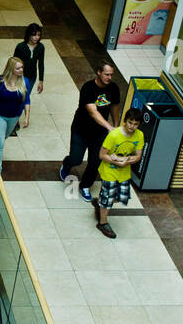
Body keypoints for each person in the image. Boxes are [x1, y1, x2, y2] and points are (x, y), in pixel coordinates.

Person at [59, 61, 121, 202]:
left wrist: (116, 125)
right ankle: (67, 163)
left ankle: (85, 185)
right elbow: (93, 112)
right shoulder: (88, 88)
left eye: (111, 74)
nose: (109, 77)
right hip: (80, 130)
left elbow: (115, 106)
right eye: (107, 74)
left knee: (95, 162)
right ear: (99, 72)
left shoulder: (114, 88)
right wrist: (109, 127)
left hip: (99, 134)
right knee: (76, 159)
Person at [94, 108, 144, 239]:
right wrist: (116, 161)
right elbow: (102, 155)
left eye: (135, 124)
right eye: (130, 122)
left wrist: (125, 160)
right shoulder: (114, 135)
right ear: (125, 121)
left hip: (124, 172)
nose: (132, 126)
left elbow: (138, 156)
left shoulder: (139, 136)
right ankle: (103, 223)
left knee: (121, 197)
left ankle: (100, 203)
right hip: (109, 171)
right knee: (109, 199)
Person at [0, 57, 30, 172]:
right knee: (1, 143)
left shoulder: (25, 81)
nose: (21, 70)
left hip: (14, 117)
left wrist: (27, 117)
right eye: (18, 68)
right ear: (11, 69)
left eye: (22, 67)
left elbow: (27, 100)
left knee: (3, 138)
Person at [11, 24, 44, 135]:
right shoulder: (20, 47)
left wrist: (41, 80)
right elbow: (14, 62)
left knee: (24, 97)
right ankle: (15, 119)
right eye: (34, 35)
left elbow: (41, 64)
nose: (36, 37)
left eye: (38, 35)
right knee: (19, 97)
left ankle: (15, 119)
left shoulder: (41, 47)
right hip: (20, 76)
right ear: (29, 35)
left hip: (32, 77)